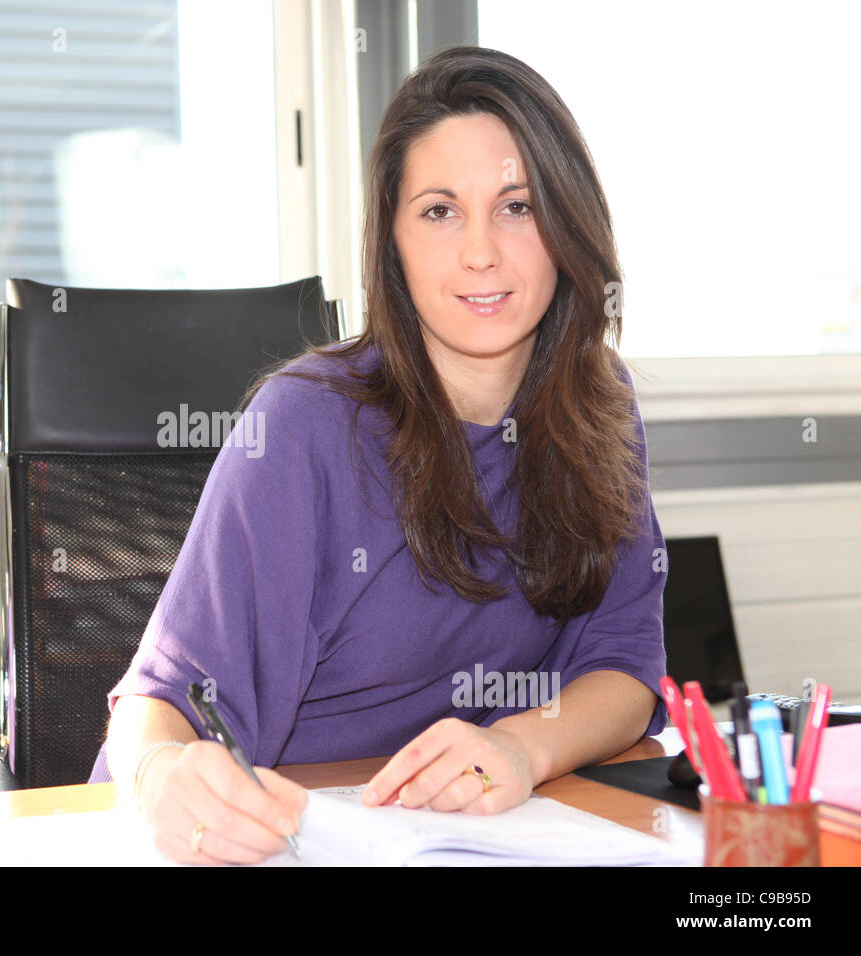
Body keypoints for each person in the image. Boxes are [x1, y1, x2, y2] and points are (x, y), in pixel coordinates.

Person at [87, 45, 669, 865]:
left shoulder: (596, 404)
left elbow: (625, 666)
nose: (480, 253)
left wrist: (521, 747)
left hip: (480, 837)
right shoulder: (302, 424)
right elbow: (155, 706)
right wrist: (161, 777)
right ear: (390, 241)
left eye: (516, 207)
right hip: (273, 839)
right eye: (438, 211)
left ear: (567, 223)